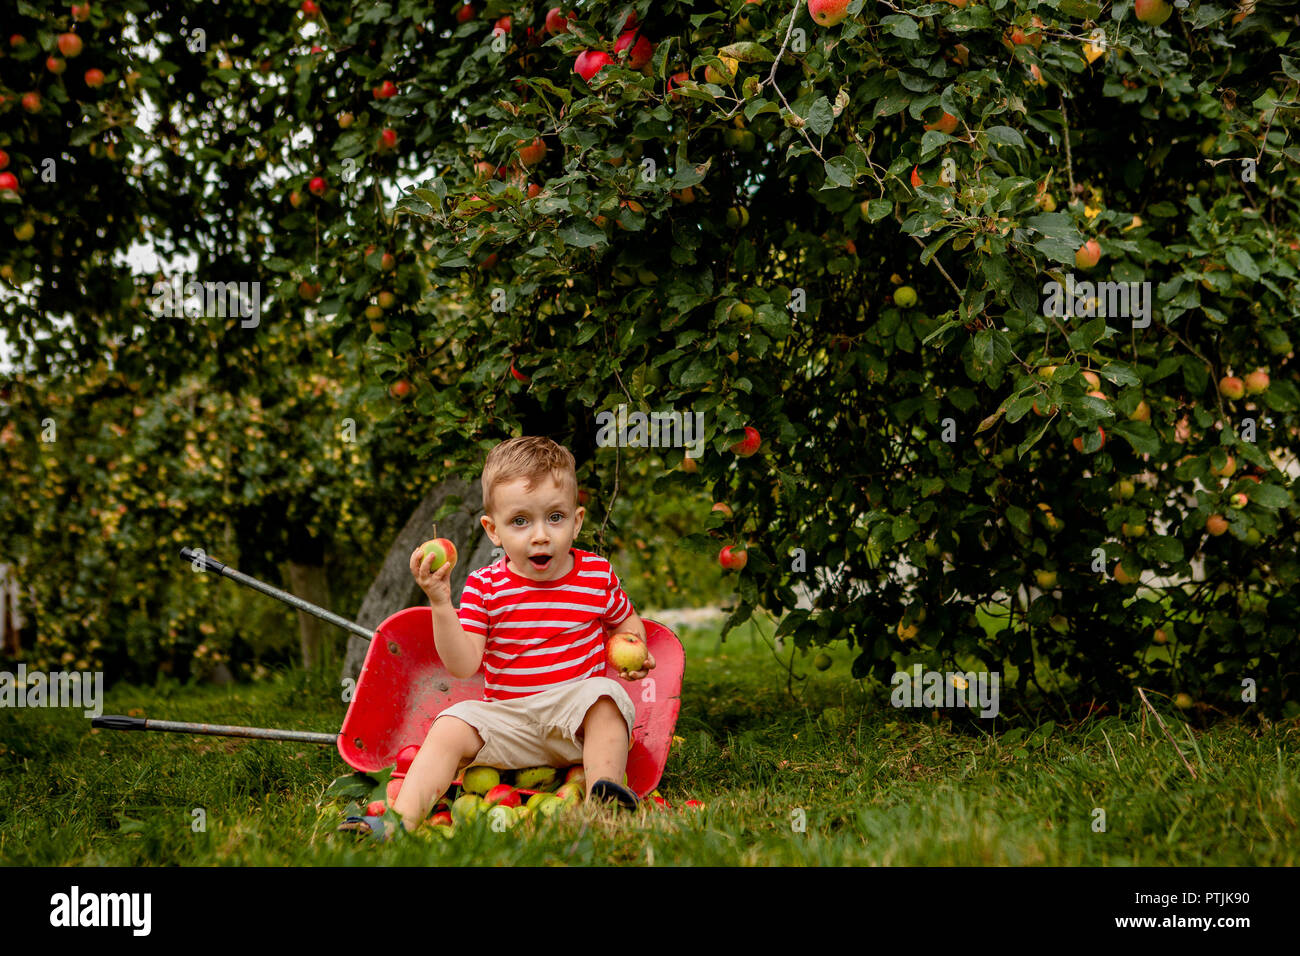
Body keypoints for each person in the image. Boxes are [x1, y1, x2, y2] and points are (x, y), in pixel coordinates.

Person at [388, 435, 655, 833]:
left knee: (607, 697)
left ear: (577, 521)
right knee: (450, 722)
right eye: (520, 521)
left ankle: (605, 797)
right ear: (493, 530)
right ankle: (397, 822)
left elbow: (626, 623)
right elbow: (463, 666)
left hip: (575, 726)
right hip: (508, 724)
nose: (540, 535)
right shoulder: (484, 586)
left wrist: (636, 650)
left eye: (555, 517)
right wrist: (442, 604)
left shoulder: (597, 576)